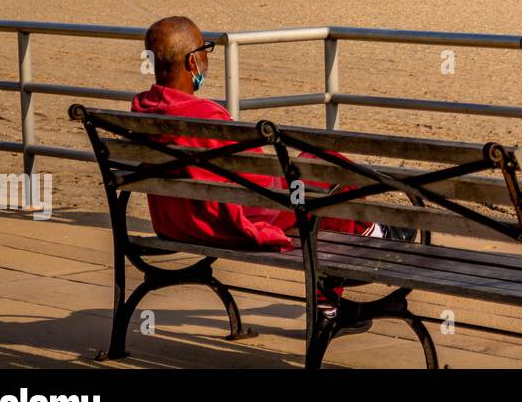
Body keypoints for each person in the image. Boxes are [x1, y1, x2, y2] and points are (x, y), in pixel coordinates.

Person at [129, 17, 383, 251]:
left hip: (176, 222)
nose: (207, 58)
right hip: (227, 222)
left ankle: (370, 233)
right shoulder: (206, 117)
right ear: (191, 62)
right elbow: (261, 180)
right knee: (332, 171)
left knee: (315, 169)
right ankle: (374, 235)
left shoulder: (141, 111)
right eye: (204, 50)